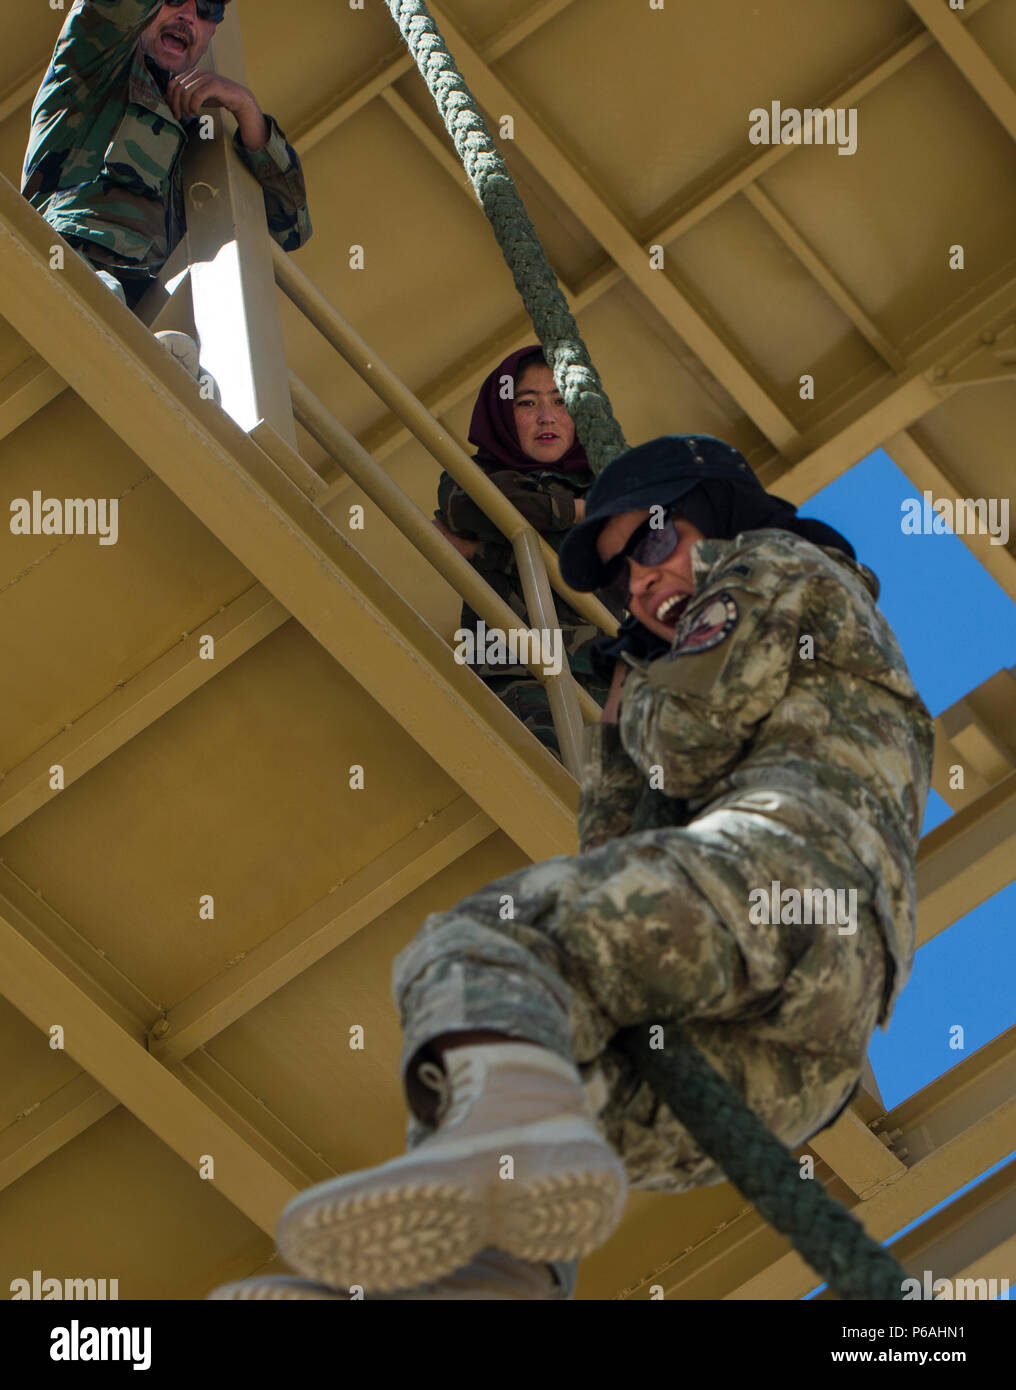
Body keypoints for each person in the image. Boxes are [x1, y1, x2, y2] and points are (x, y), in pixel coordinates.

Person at [209, 435, 934, 1301]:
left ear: (719, 514)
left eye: (654, 543)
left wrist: (641, 689)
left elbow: (688, 740)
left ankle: (500, 1154)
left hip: (790, 874)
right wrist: (624, 724)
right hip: (807, 1049)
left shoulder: (771, 561)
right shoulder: (700, 636)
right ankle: (487, 1282)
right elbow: (616, 854)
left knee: (495, 938)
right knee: (563, 1067)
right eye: (625, 573)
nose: (641, 581)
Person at [22, 0, 311, 373]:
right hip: (63, 262)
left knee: (200, 384)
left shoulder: (199, 131)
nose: (188, 15)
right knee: (102, 297)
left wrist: (247, 110)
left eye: (207, 9)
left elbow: (292, 227)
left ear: (211, 33)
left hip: (144, 307)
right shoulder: (93, 62)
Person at [432, 345, 623, 758]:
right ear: (501, 414)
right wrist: (579, 512)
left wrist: (488, 552)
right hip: (519, 676)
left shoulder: (607, 482)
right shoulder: (475, 476)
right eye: (527, 403)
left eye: (560, 402)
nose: (546, 417)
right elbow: (472, 507)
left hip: (609, 680)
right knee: (559, 785)